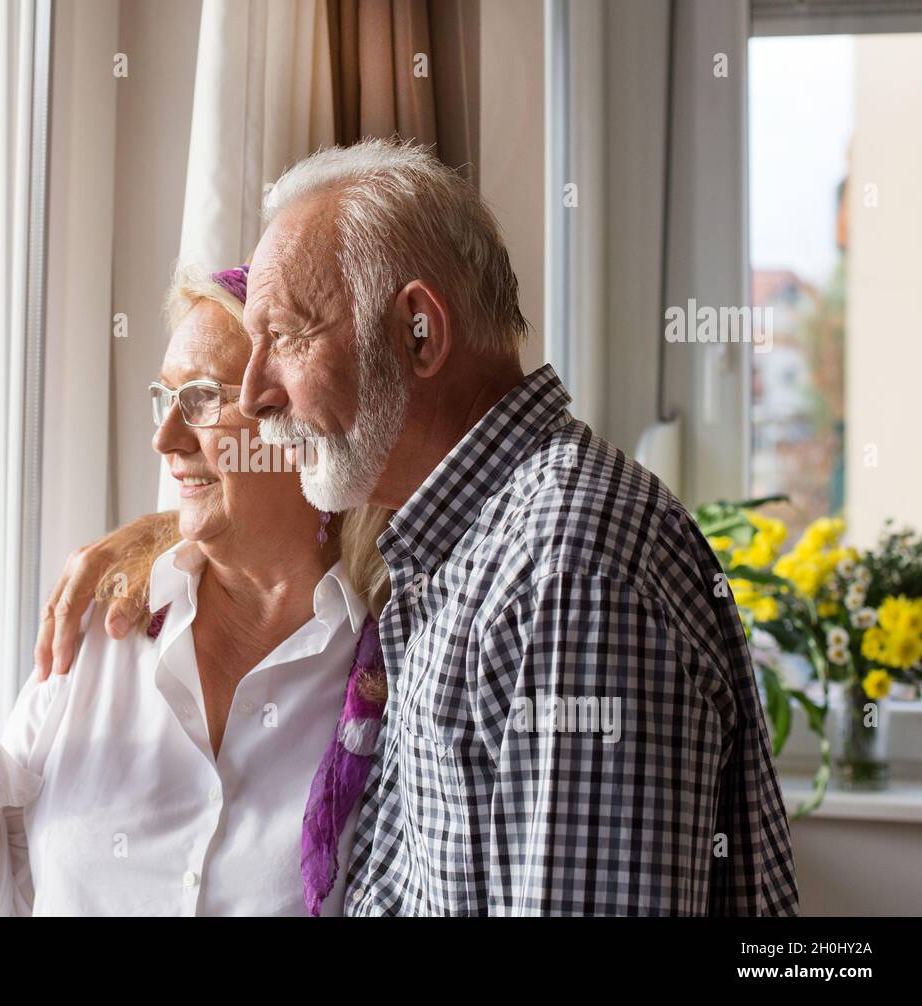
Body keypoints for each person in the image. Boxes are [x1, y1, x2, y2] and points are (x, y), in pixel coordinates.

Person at [42, 138, 800, 916]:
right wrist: (171, 534)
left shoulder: (565, 570)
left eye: (288, 336)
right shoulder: (457, 548)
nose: (257, 394)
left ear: (418, 332)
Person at [0, 264, 392, 915]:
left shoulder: (393, 666)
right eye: (164, 397)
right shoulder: (103, 621)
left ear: (307, 427)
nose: (165, 438)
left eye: (203, 398)